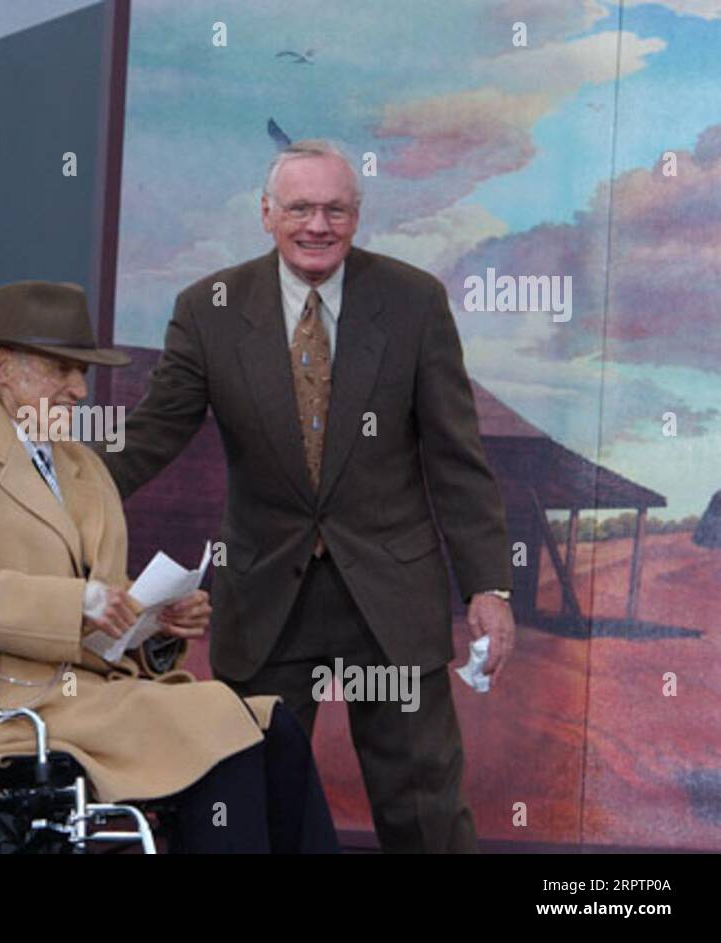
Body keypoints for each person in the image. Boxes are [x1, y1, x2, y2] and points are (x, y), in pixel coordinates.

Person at [101, 140, 516, 852]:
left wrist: (488, 585)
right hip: (266, 601)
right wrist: (47, 500)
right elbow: (148, 438)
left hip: (390, 599)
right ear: (267, 214)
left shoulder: (415, 301)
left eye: (335, 209)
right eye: (299, 208)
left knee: (426, 810)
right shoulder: (210, 309)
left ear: (358, 216)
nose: (317, 224)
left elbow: (457, 458)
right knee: (256, 804)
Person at [0, 280, 338, 853]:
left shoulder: (83, 466)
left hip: (95, 691)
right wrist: (76, 604)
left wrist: (157, 622)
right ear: (4, 368)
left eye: (83, 373)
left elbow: (109, 602)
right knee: (223, 732)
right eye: (62, 370)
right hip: (3, 698)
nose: (79, 390)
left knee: (275, 729)